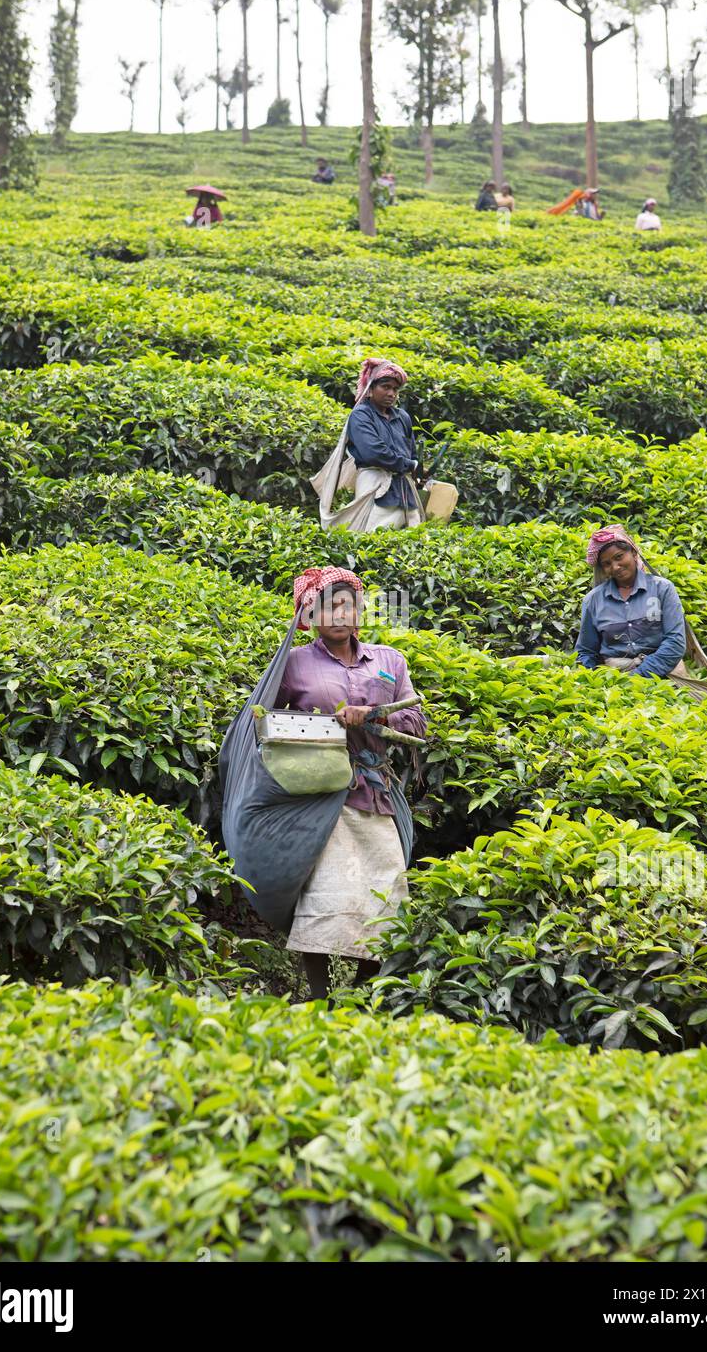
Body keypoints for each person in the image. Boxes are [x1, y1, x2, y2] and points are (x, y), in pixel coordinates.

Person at [277, 566, 427, 1001]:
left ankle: (362, 995)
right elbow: (268, 721)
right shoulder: (294, 663)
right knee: (324, 892)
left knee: (382, 893)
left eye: (347, 603)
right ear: (310, 614)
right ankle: (319, 994)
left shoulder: (388, 661)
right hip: (321, 795)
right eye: (328, 604)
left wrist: (375, 716)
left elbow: (417, 722)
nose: (339, 613)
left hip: (376, 793)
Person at [309, 358, 427, 532]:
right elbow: (373, 452)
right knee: (373, 535)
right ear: (370, 389)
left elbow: (411, 453)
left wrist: (417, 469)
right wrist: (410, 465)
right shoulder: (361, 415)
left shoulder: (403, 417)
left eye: (395, 389)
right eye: (385, 387)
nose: (391, 393)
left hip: (404, 488)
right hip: (375, 483)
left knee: (412, 536)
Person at [575, 525, 689, 684]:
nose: (615, 567)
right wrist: (592, 683)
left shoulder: (662, 589)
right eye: (607, 564)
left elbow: (675, 643)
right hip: (615, 679)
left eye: (619, 557)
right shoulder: (593, 600)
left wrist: (637, 676)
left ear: (634, 553)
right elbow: (586, 651)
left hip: (666, 675)